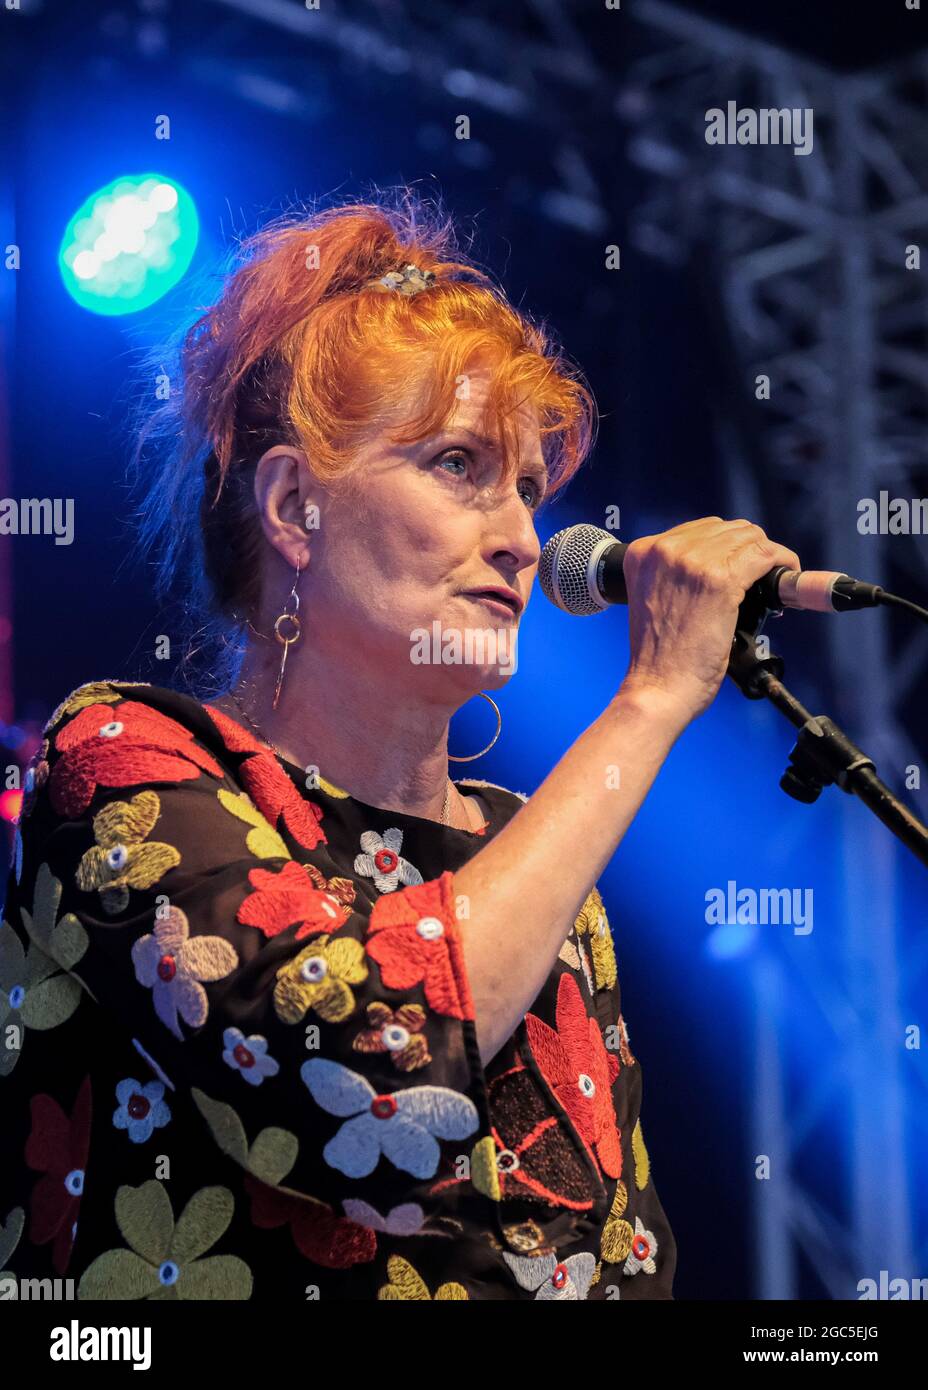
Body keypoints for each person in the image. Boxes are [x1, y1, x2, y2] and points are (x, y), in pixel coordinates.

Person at [0, 192, 801, 1301]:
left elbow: (619, 1255)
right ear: (293, 507)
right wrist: (650, 699)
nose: (524, 537)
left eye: (528, 487)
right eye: (460, 465)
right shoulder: (124, 760)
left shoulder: (527, 845)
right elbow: (372, 1076)